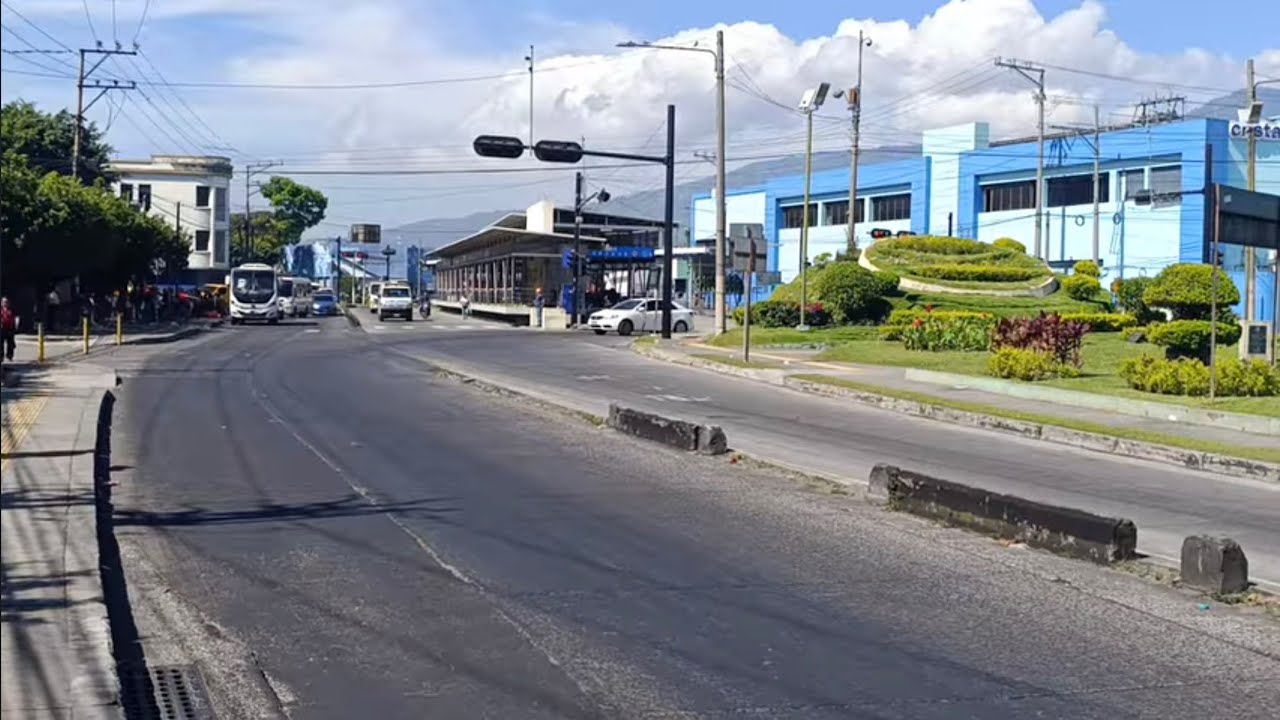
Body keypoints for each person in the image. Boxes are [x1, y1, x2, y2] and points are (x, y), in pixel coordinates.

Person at [1, 297, 18, 362]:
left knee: (10, 343)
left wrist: (15, 326)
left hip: (10, 329)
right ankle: (1, 357)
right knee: (1, 344)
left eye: (6, 302)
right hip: (2, 329)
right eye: (4, 302)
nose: (5, 303)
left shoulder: (12, 310)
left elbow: (16, 318)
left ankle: (9, 356)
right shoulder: (1, 310)